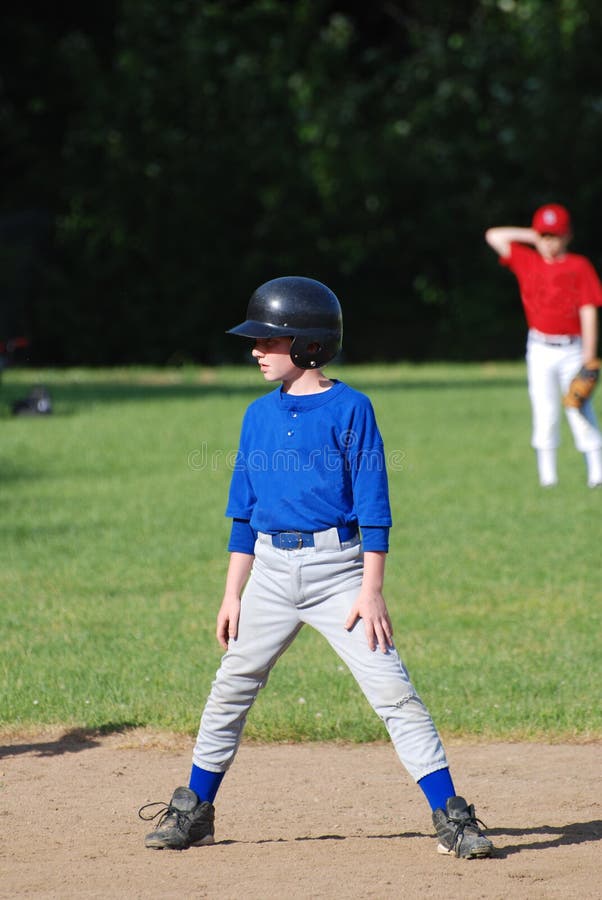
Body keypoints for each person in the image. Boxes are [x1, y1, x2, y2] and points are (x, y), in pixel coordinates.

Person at [139, 276, 493, 859]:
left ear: (308, 345)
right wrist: (232, 593)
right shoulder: (257, 415)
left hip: (340, 576)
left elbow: (374, 508)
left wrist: (371, 590)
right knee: (231, 688)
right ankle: (195, 810)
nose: (256, 350)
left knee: (393, 691)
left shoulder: (352, 409)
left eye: (268, 341)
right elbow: (243, 513)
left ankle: (452, 815)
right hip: (270, 574)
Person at [485, 203, 602, 488]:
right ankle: (548, 478)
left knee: (579, 408)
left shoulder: (579, 266)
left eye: (555, 235)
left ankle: (597, 471)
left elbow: (588, 310)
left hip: (572, 349)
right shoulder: (527, 260)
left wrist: (589, 357)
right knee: (544, 410)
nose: (549, 242)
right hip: (539, 348)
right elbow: (493, 236)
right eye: (545, 235)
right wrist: (533, 235)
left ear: (568, 235)